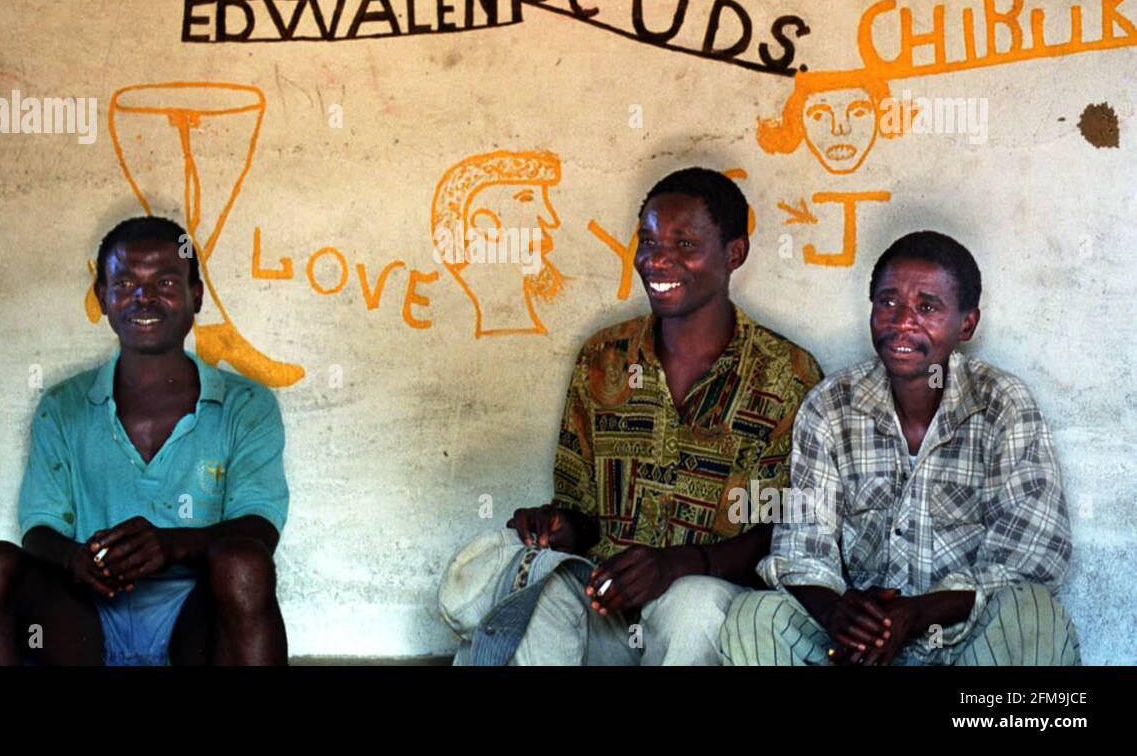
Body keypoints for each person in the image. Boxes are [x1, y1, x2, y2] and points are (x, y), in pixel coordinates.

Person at [438, 168, 823, 665]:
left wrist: (678, 565)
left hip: (703, 620)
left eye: (684, 243)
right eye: (648, 240)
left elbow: (788, 530)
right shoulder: (604, 359)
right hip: (605, 608)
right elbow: (580, 507)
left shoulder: (785, 374)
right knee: (542, 588)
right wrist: (558, 527)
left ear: (734, 254)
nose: (658, 258)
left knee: (694, 604)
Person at [721, 231, 1079, 666]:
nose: (902, 321)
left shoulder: (1000, 403)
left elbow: (1031, 558)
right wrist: (840, 614)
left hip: (959, 644)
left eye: (927, 307)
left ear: (966, 323)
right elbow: (802, 549)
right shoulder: (832, 405)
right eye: (888, 302)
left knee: (1033, 615)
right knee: (755, 615)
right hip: (852, 647)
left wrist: (916, 614)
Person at [0, 216, 290, 665]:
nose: (143, 297)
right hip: (82, 620)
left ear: (196, 296)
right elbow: (39, 529)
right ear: (103, 298)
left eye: (166, 281)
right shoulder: (64, 406)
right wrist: (76, 560)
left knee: (244, 565)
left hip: (194, 623)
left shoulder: (244, 405)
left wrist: (173, 545)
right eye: (125, 282)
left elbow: (259, 530)